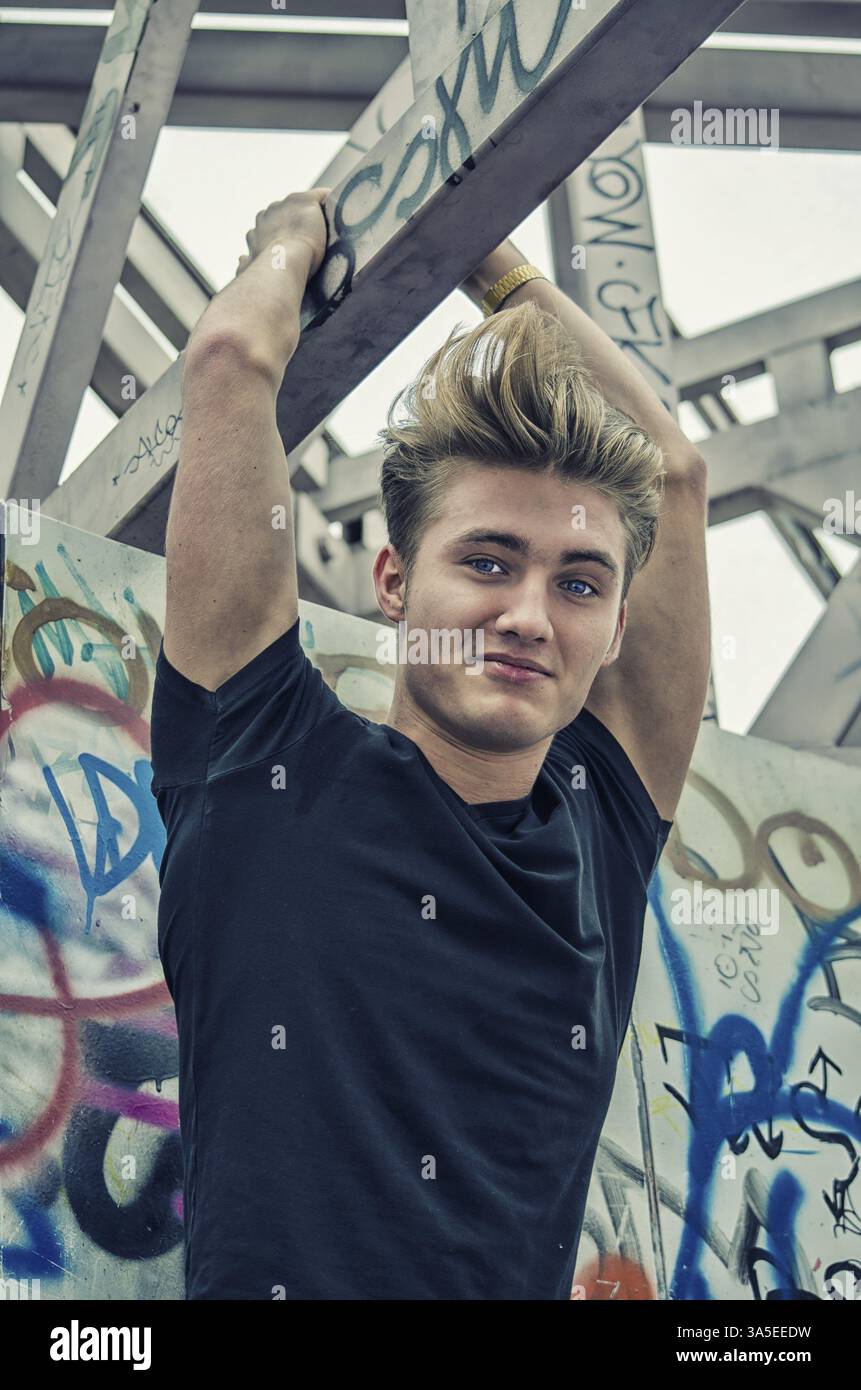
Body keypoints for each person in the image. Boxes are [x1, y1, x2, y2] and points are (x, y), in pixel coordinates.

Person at [150, 188, 711, 1299]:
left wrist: (491, 263)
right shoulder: (259, 759)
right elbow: (227, 361)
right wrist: (292, 243)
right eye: (489, 561)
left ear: (610, 629)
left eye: (579, 582)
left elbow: (676, 475)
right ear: (395, 581)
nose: (529, 615)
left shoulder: (601, 832)